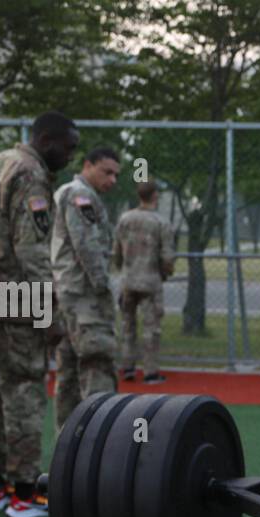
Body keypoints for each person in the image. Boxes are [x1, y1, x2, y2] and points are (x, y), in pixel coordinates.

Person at [0, 110, 79, 517]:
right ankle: (25, 492)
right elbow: (32, 251)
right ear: (48, 140)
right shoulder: (31, 174)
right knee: (24, 388)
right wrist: (47, 313)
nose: (69, 156)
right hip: (15, 295)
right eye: (69, 147)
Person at [51, 146, 120, 432]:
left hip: (67, 293)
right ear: (88, 165)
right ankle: (98, 442)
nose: (113, 180)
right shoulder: (82, 195)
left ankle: (67, 446)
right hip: (84, 296)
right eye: (107, 172)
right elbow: (86, 244)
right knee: (97, 365)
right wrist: (103, 287)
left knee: (68, 370)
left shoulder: (66, 192)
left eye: (117, 174)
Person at [113, 181, 176, 384]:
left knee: (127, 326)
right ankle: (150, 372)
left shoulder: (125, 219)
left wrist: (122, 267)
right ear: (155, 196)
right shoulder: (160, 222)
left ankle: (128, 367)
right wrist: (166, 273)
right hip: (150, 281)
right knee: (151, 328)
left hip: (128, 279)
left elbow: (117, 251)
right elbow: (167, 256)